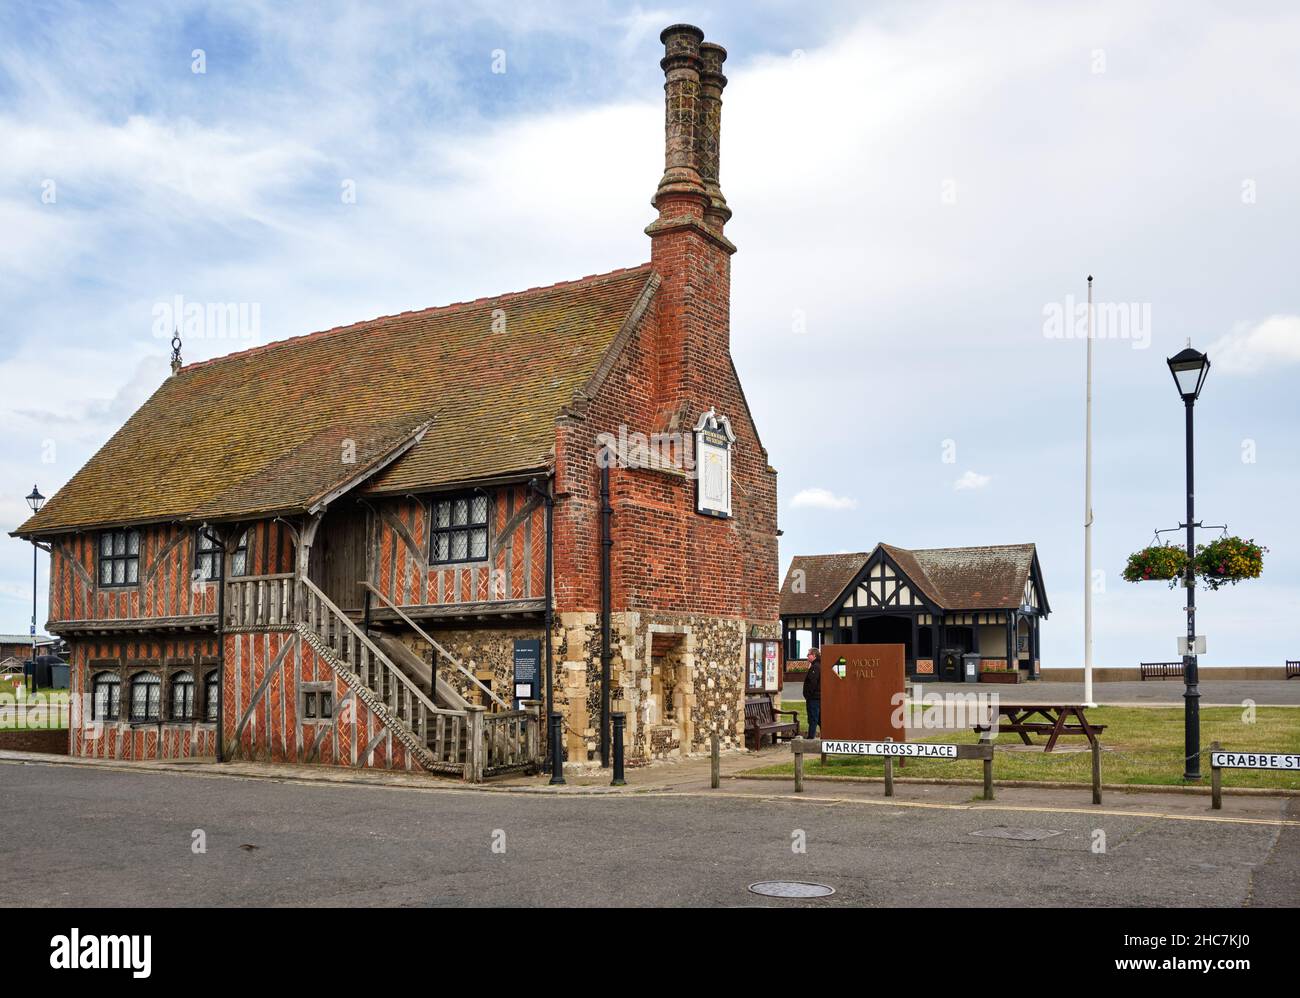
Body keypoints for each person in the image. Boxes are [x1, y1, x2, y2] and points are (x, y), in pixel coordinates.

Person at [802, 646, 822, 738]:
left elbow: (812, 683)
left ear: (813, 655)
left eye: (808, 654)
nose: (807, 656)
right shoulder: (819, 665)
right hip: (817, 697)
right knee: (819, 719)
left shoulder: (815, 667)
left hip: (814, 698)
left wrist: (808, 695)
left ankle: (810, 739)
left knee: (813, 719)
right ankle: (825, 737)